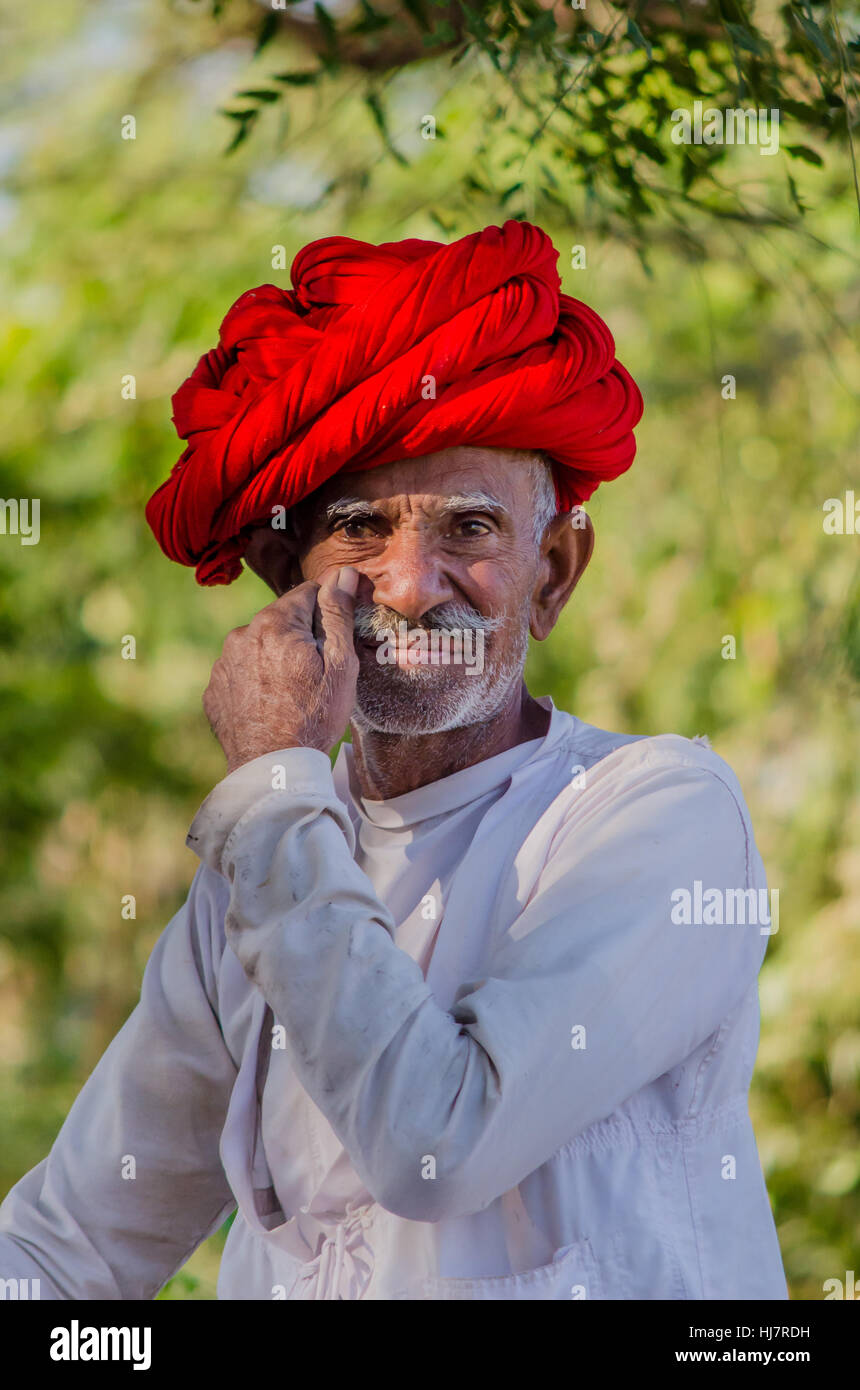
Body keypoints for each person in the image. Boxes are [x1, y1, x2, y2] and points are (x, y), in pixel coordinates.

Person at [0, 222, 786, 1300]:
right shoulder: (265, 862)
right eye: (361, 530)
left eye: (467, 529)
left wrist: (273, 794)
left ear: (551, 573)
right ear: (287, 571)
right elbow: (69, 1247)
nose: (412, 584)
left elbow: (436, 1146)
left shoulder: (658, 814)